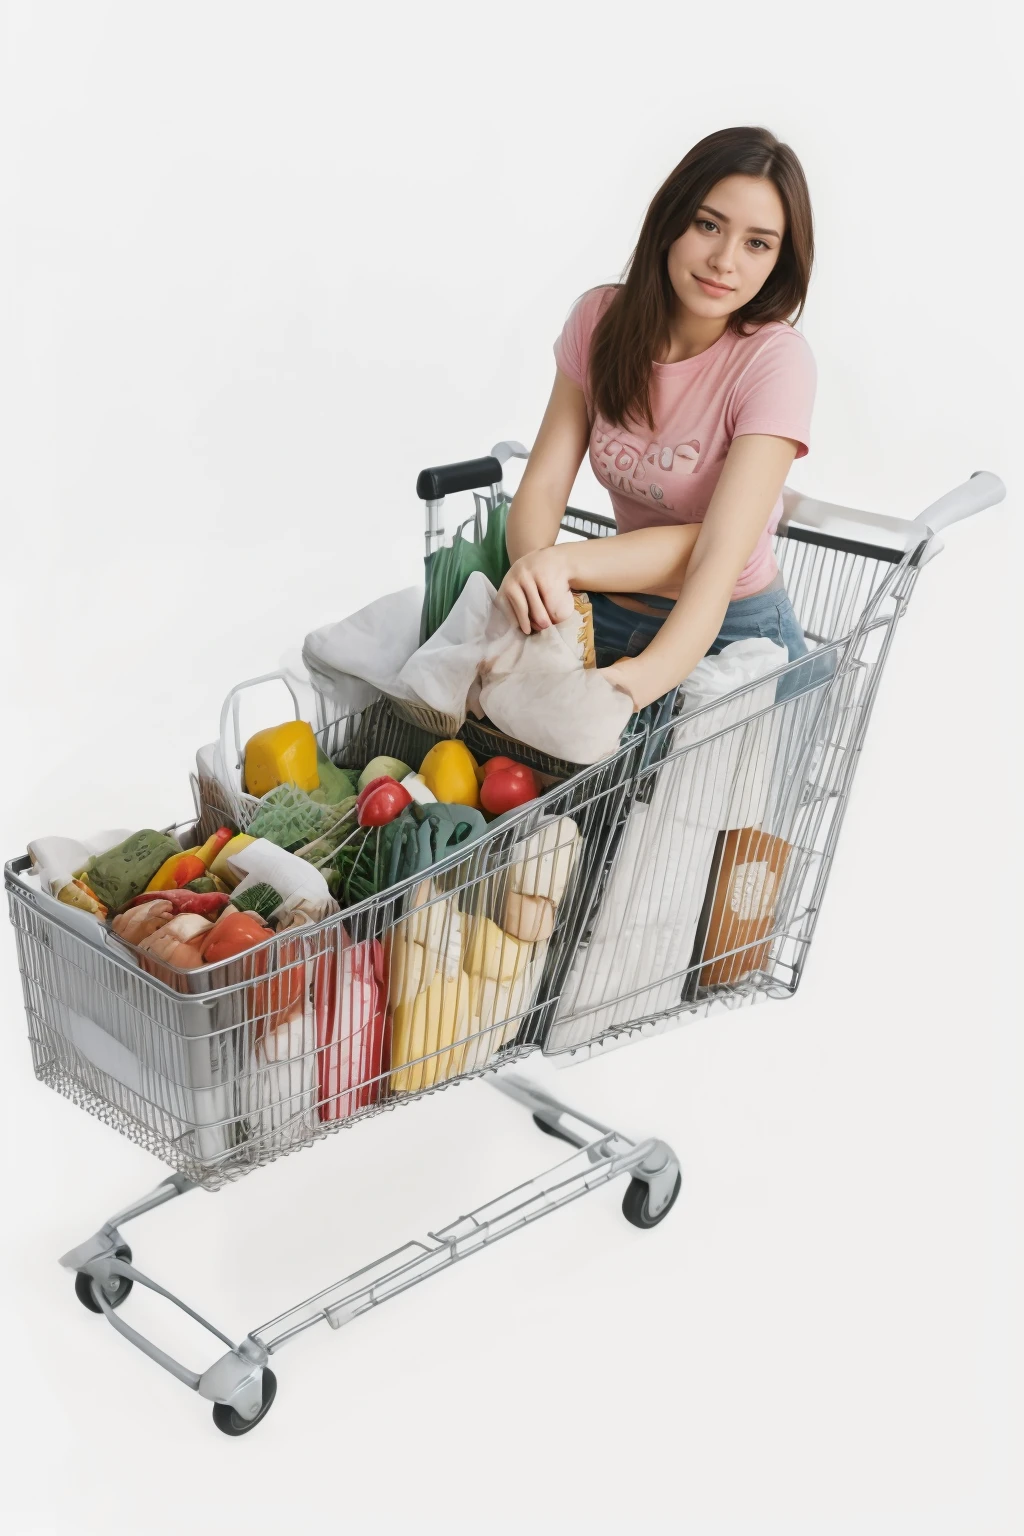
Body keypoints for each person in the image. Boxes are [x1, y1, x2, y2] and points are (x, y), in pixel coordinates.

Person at [500, 125, 818, 715]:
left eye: (757, 244)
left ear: (779, 261)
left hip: (731, 636)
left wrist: (641, 680)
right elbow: (543, 485)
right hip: (610, 605)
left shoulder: (775, 360)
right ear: (669, 220)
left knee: (697, 810)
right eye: (709, 225)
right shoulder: (599, 321)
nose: (724, 261)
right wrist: (534, 582)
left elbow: (720, 549)